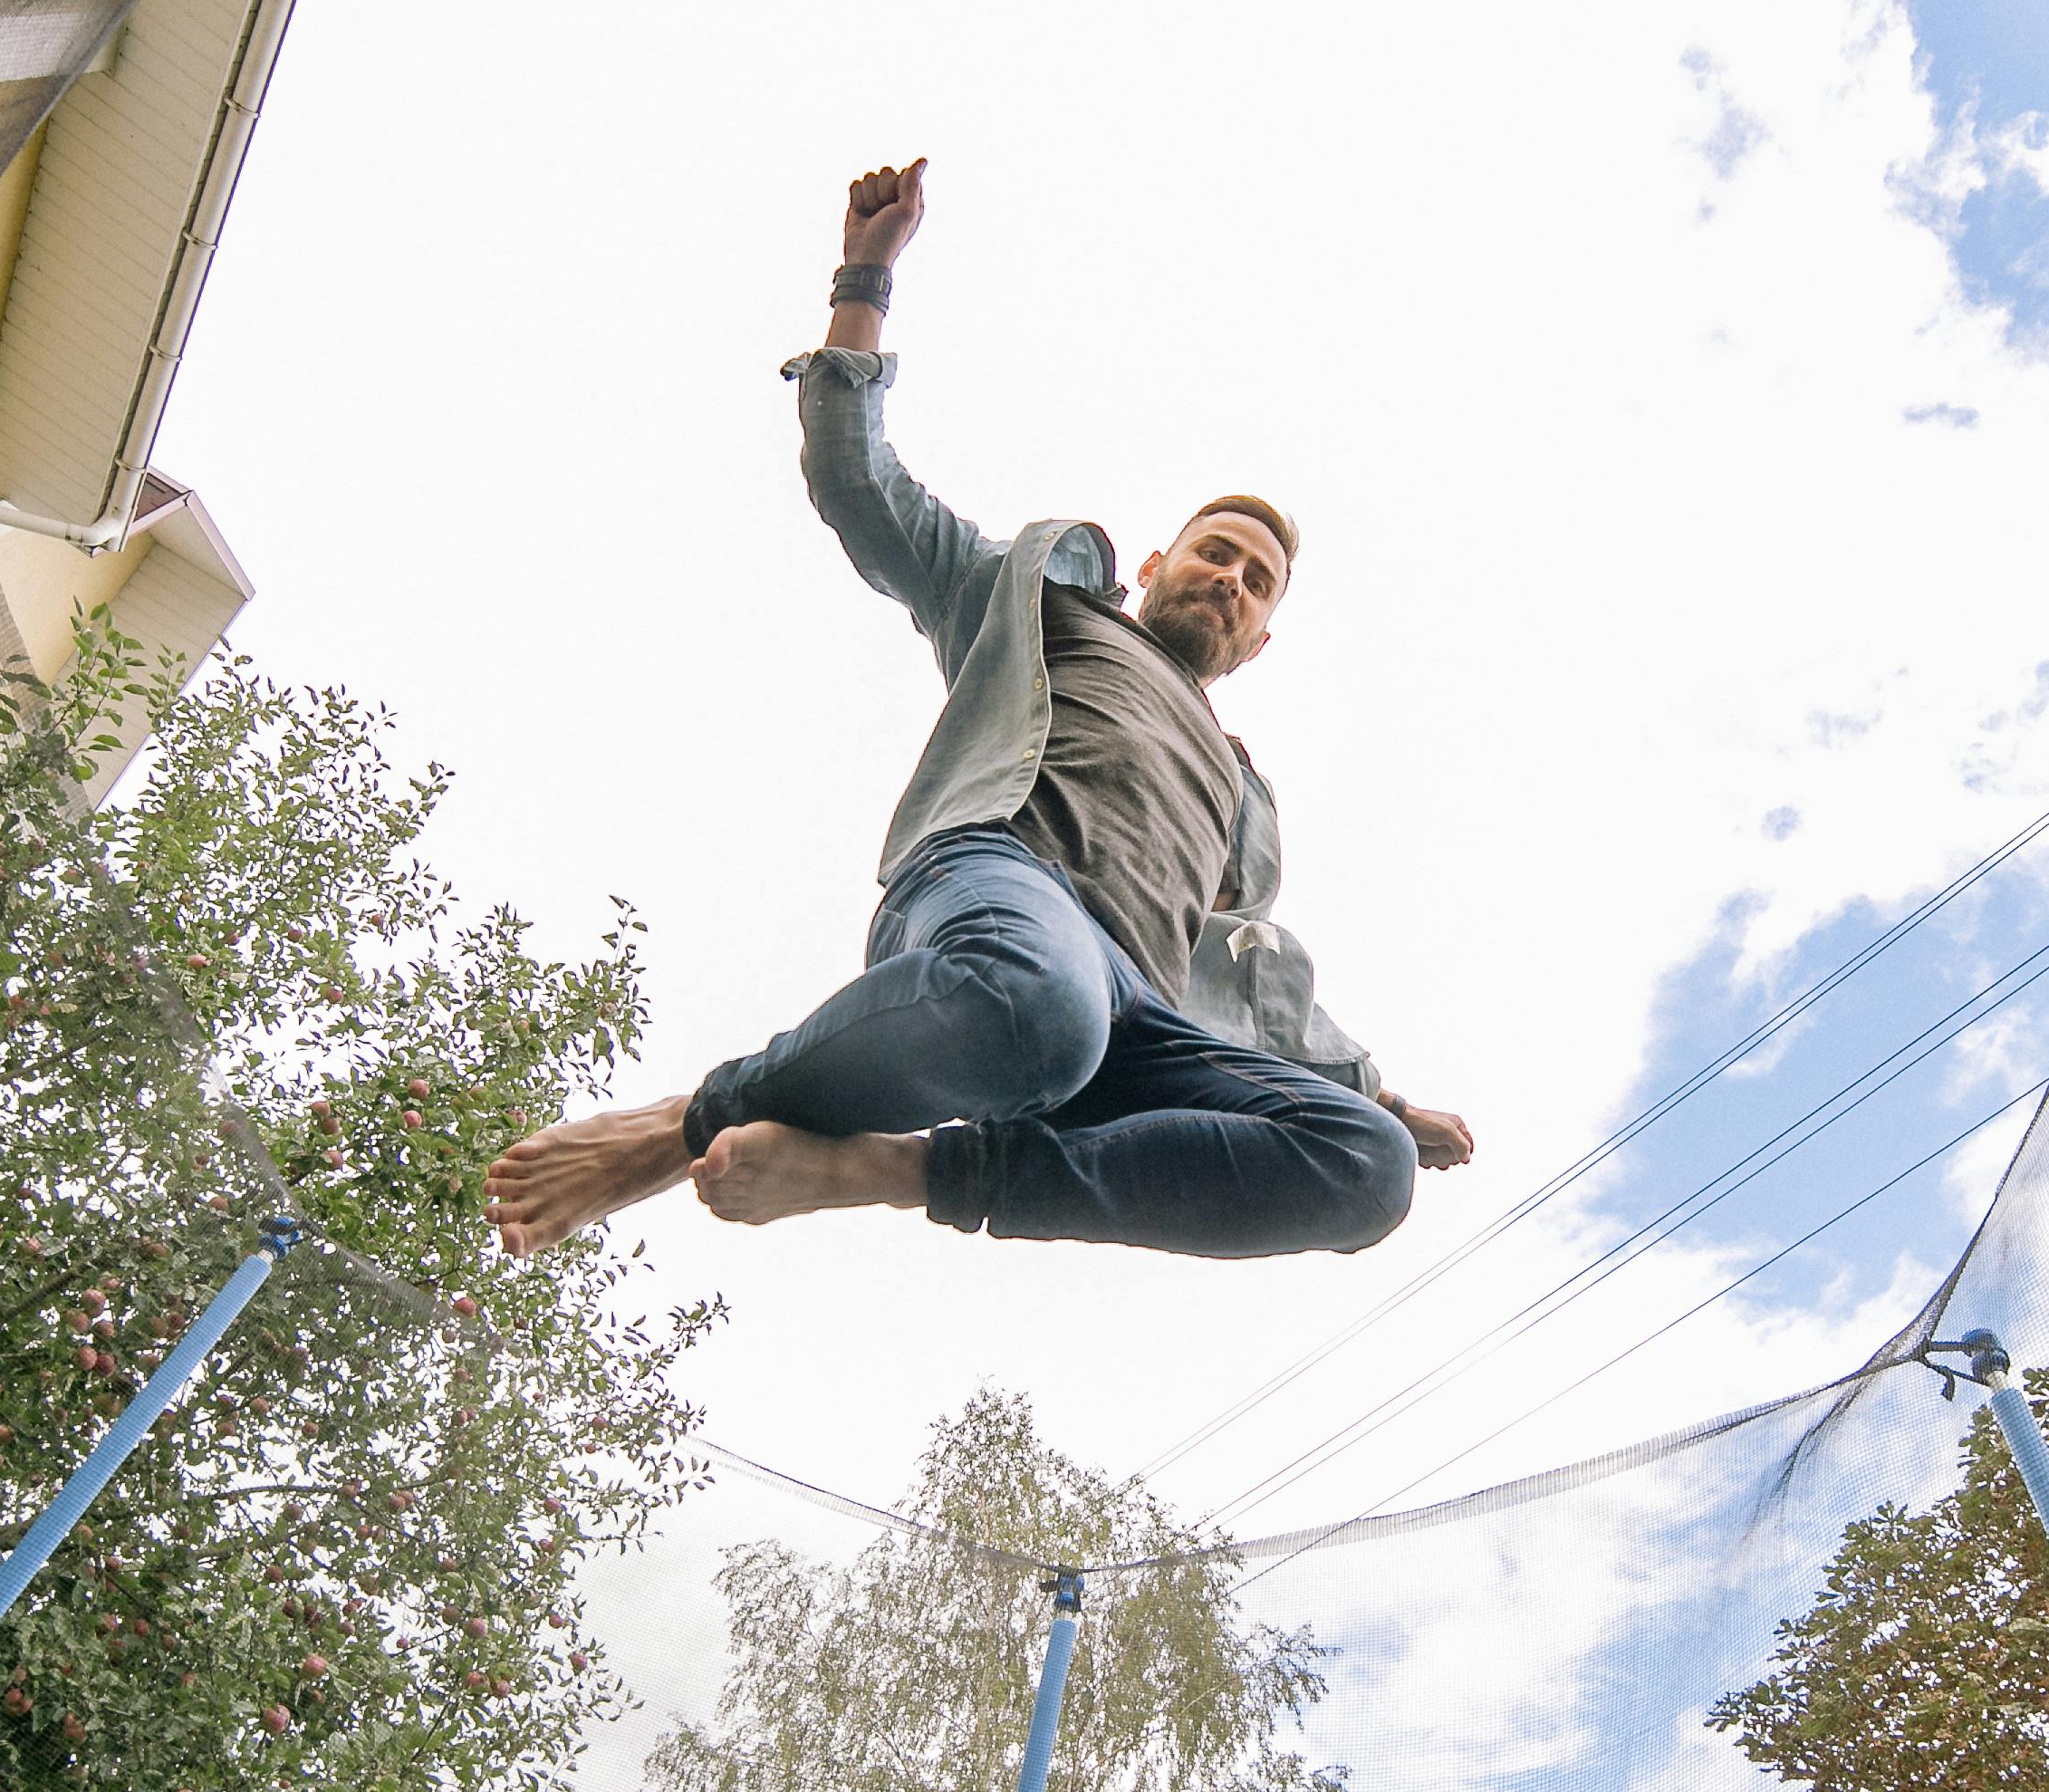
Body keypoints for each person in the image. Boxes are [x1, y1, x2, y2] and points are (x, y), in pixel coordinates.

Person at [486, 159, 1473, 1261]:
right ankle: (688, 1124)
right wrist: (865, 278)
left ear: (1260, 640)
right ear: (1157, 565)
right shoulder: (1040, 607)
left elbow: (1260, 989)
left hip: (1137, 1017)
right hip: (1003, 897)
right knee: (1042, 1006)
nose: (1231, 581)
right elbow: (862, 486)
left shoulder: (1241, 796)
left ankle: (896, 1169)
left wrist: (1382, 1100)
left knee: (1366, 1169)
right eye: (1215, 554)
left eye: (1257, 583)